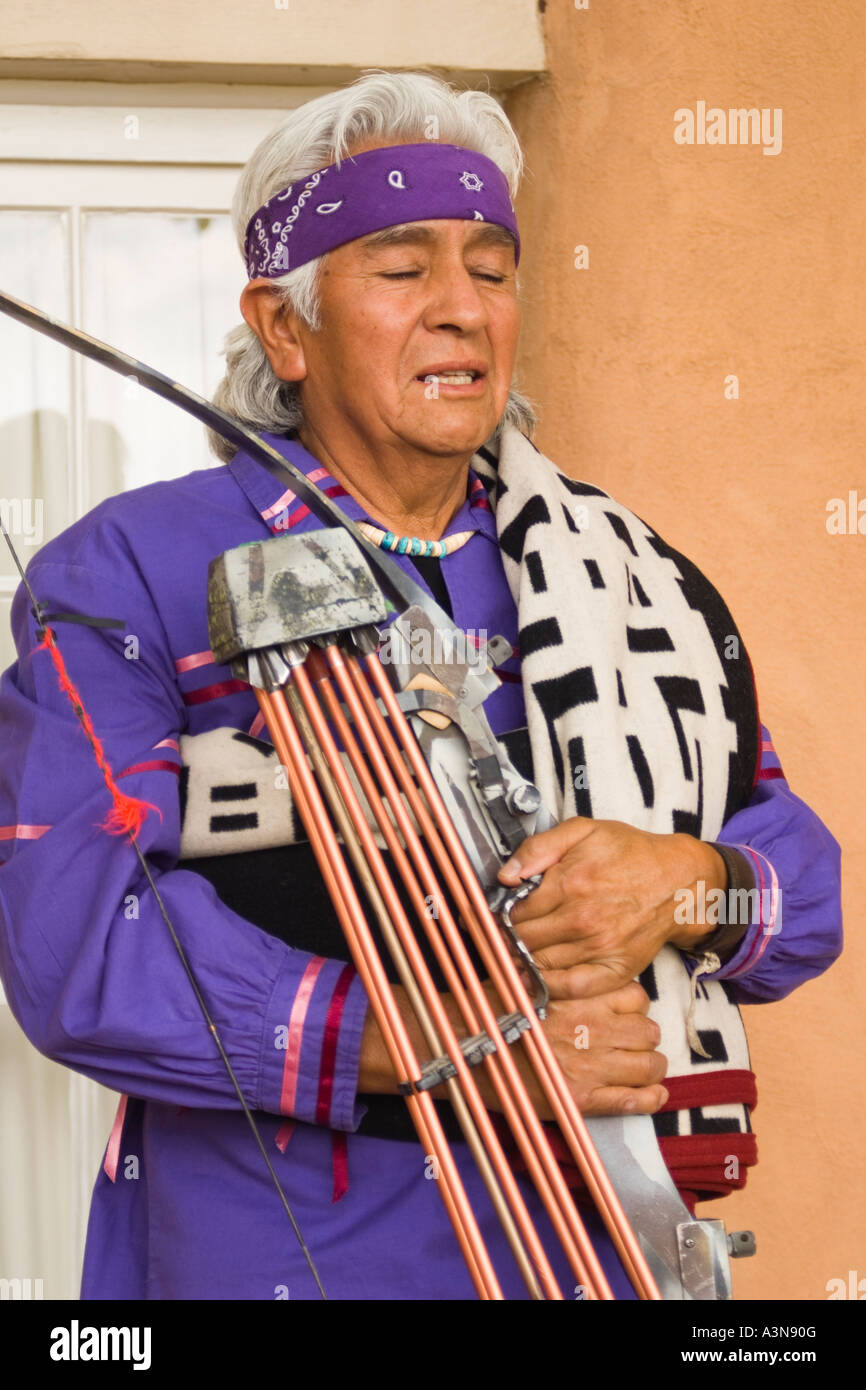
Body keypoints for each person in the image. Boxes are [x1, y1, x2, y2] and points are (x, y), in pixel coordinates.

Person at [0, 71, 842, 1301]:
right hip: (278, 1255)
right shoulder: (130, 570)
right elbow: (76, 943)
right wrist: (451, 1042)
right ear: (285, 328)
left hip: (607, 1252)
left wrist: (685, 881)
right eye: (400, 270)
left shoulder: (621, 577)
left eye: (490, 268)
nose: (461, 309)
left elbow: (795, 878)